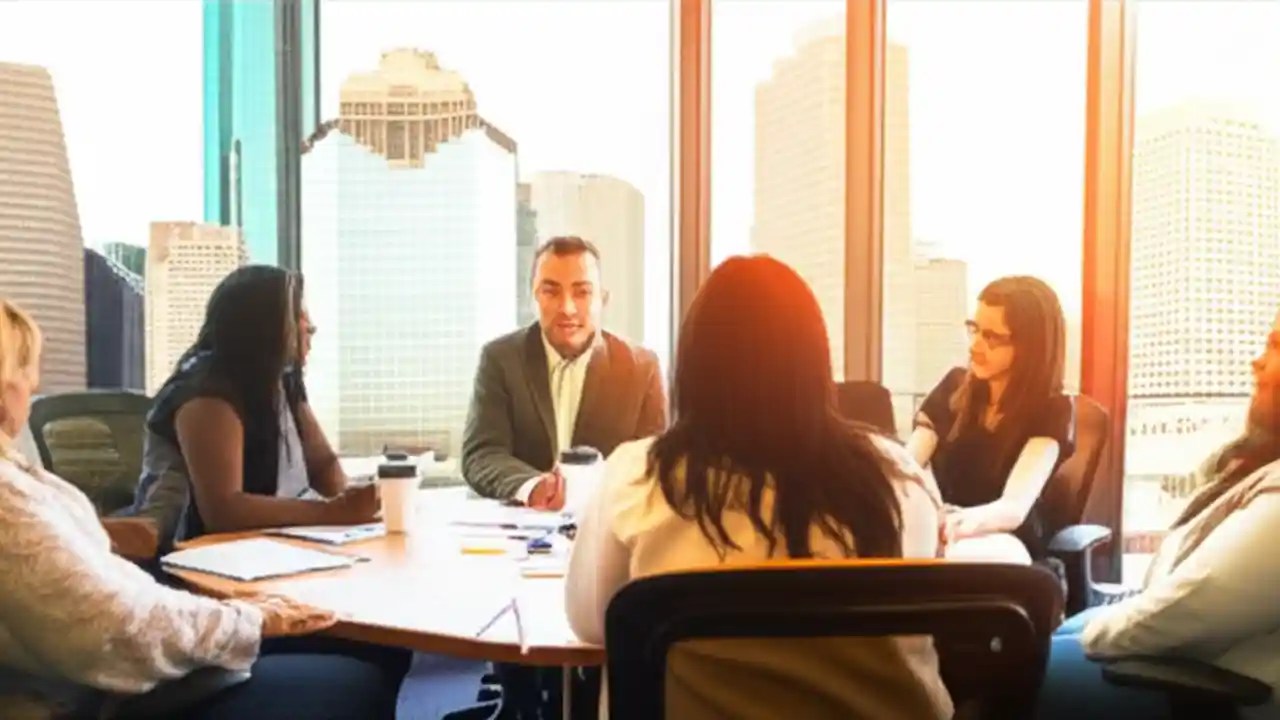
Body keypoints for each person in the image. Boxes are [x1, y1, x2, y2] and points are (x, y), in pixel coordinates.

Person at [565, 255, 953, 719]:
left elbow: (590, 624)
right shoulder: (900, 479)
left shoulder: (638, 477)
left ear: (692, 366)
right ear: (815, 362)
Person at [0, 299, 404, 719]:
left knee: (368, 647)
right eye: (25, 366)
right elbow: (114, 628)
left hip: (117, 657)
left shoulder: (13, 472)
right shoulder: (8, 501)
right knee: (355, 677)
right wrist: (252, 619)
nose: (34, 381)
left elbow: (109, 595)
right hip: (89, 698)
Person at [1038, 310, 1280, 720]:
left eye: (1275, 346)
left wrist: (1099, 633)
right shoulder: (1261, 466)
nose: (1257, 361)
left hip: (1216, 686)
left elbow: (1200, 601)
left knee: (1012, 677)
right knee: (1037, 646)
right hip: (1193, 655)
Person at [134, 266, 378, 544]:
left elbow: (322, 465)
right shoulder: (206, 393)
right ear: (262, 324)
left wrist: (355, 505)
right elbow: (223, 511)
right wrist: (333, 513)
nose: (310, 326)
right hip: (195, 556)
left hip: (270, 546)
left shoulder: (280, 380)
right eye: (297, 315)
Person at [462, 236, 666, 510]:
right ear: (534, 295)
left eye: (582, 292)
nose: (567, 308)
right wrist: (532, 486)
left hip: (607, 529)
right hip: (520, 532)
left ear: (602, 299)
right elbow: (481, 455)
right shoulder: (500, 359)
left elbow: (655, 464)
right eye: (551, 291)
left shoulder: (641, 368)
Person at [908, 275, 1073, 564]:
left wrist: (957, 523)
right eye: (974, 329)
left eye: (992, 337)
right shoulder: (954, 387)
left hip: (1002, 542)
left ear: (1030, 347)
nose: (975, 346)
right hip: (945, 534)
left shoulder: (1052, 410)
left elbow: (1013, 508)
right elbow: (906, 465)